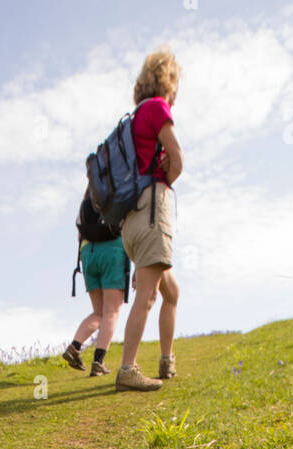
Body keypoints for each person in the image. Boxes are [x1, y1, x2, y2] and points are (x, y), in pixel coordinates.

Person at [115, 47, 183, 393]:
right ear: (167, 80)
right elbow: (177, 156)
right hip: (152, 209)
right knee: (148, 296)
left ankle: (166, 361)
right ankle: (127, 369)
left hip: (130, 220)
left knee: (170, 289)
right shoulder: (158, 108)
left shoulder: (134, 116)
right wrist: (168, 181)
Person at [63, 189, 129, 377]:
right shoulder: (119, 193)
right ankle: (98, 362)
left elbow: (79, 232)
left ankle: (75, 346)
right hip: (113, 249)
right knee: (112, 312)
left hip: (87, 254)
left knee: (99, 312)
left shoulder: (87, 200)